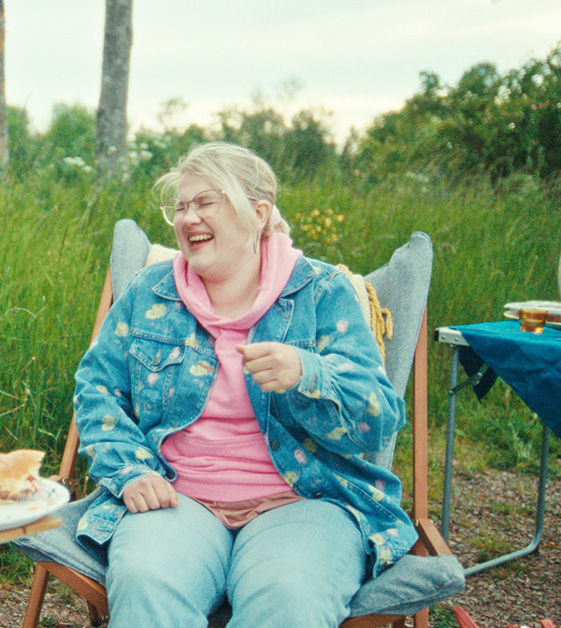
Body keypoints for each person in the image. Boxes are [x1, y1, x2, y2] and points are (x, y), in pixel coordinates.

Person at [72, 142, 416, 628]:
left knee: (288, 598)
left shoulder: (320, 293)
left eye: (206, 202)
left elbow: (378, 422)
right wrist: (130, 470)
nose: (188, 217)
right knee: (147, 582)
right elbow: (98, 390)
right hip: (178, 496)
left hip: (305, 501)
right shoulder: (150, 293)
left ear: (258, 213)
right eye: (181, 206)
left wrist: (310, 374)